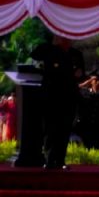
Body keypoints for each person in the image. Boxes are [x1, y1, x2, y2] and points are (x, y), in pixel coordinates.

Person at [31, 34, 85, 169]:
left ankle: (60, 160)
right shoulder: (49, 51)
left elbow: (81, 73)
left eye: (69, 37)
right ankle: (49, 160)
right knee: (50, 129)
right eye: (63, 37)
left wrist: (80, 74)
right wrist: (52, 43)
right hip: (51, 97)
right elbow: (34, 54)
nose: (68, 40)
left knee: (64, 130)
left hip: (69, 98)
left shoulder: (76, 54)